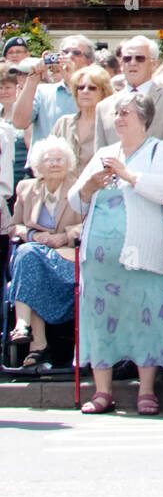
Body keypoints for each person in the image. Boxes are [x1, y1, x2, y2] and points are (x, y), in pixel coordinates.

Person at [69, 93, 163, 414]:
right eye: (116, 113)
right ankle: (102, 391)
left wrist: (128, 175)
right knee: (99, 318)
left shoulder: (161, 150)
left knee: (146, 316)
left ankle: (146, 390)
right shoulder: (104, 153)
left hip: (143, 252)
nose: (118, 119)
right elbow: (76, 201)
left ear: (143, 118)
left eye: (125, 113)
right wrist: (89, 185)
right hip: (100, 256)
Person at [7, 138, 81, 370]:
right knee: (28, 254)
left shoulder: (79, 188)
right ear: (39, 164)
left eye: (60, 159)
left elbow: (89, 224)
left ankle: (31, 337)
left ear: (68, 163)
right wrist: (32, 235)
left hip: (68, 259)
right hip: (37, 257)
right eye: (49, 160)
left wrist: (64, 237)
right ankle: (32, 339)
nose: (55, 164)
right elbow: (13, 227)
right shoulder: (26, 188)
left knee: (29, 259)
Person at [94, 35, 163, 147]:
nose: (132, 63)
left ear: (154, 64)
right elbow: (100, 157)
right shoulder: (103, 107)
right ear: (121, 64)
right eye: (127, 59)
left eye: (140, 58)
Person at [11, 35, 94, 150]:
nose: (69, 57)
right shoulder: (43, 91)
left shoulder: (95, 91)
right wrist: (32, 80)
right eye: (64, 52)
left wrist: (72, 82)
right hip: (45, 163)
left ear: (89, 63)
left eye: (76, 53)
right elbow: (19, 123)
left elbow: (91, 118)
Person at [50, 64, 113, 177]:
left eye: (92, 88)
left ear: (103, 92)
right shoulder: (63, 124)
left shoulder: (111, 126)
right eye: (81, 87)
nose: (85, 91)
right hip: (65, 191)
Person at [0, 62, 30, 193]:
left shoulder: (26, 113)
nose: (3, 92)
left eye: (7, 87)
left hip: (22, 179)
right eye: (0, 88)